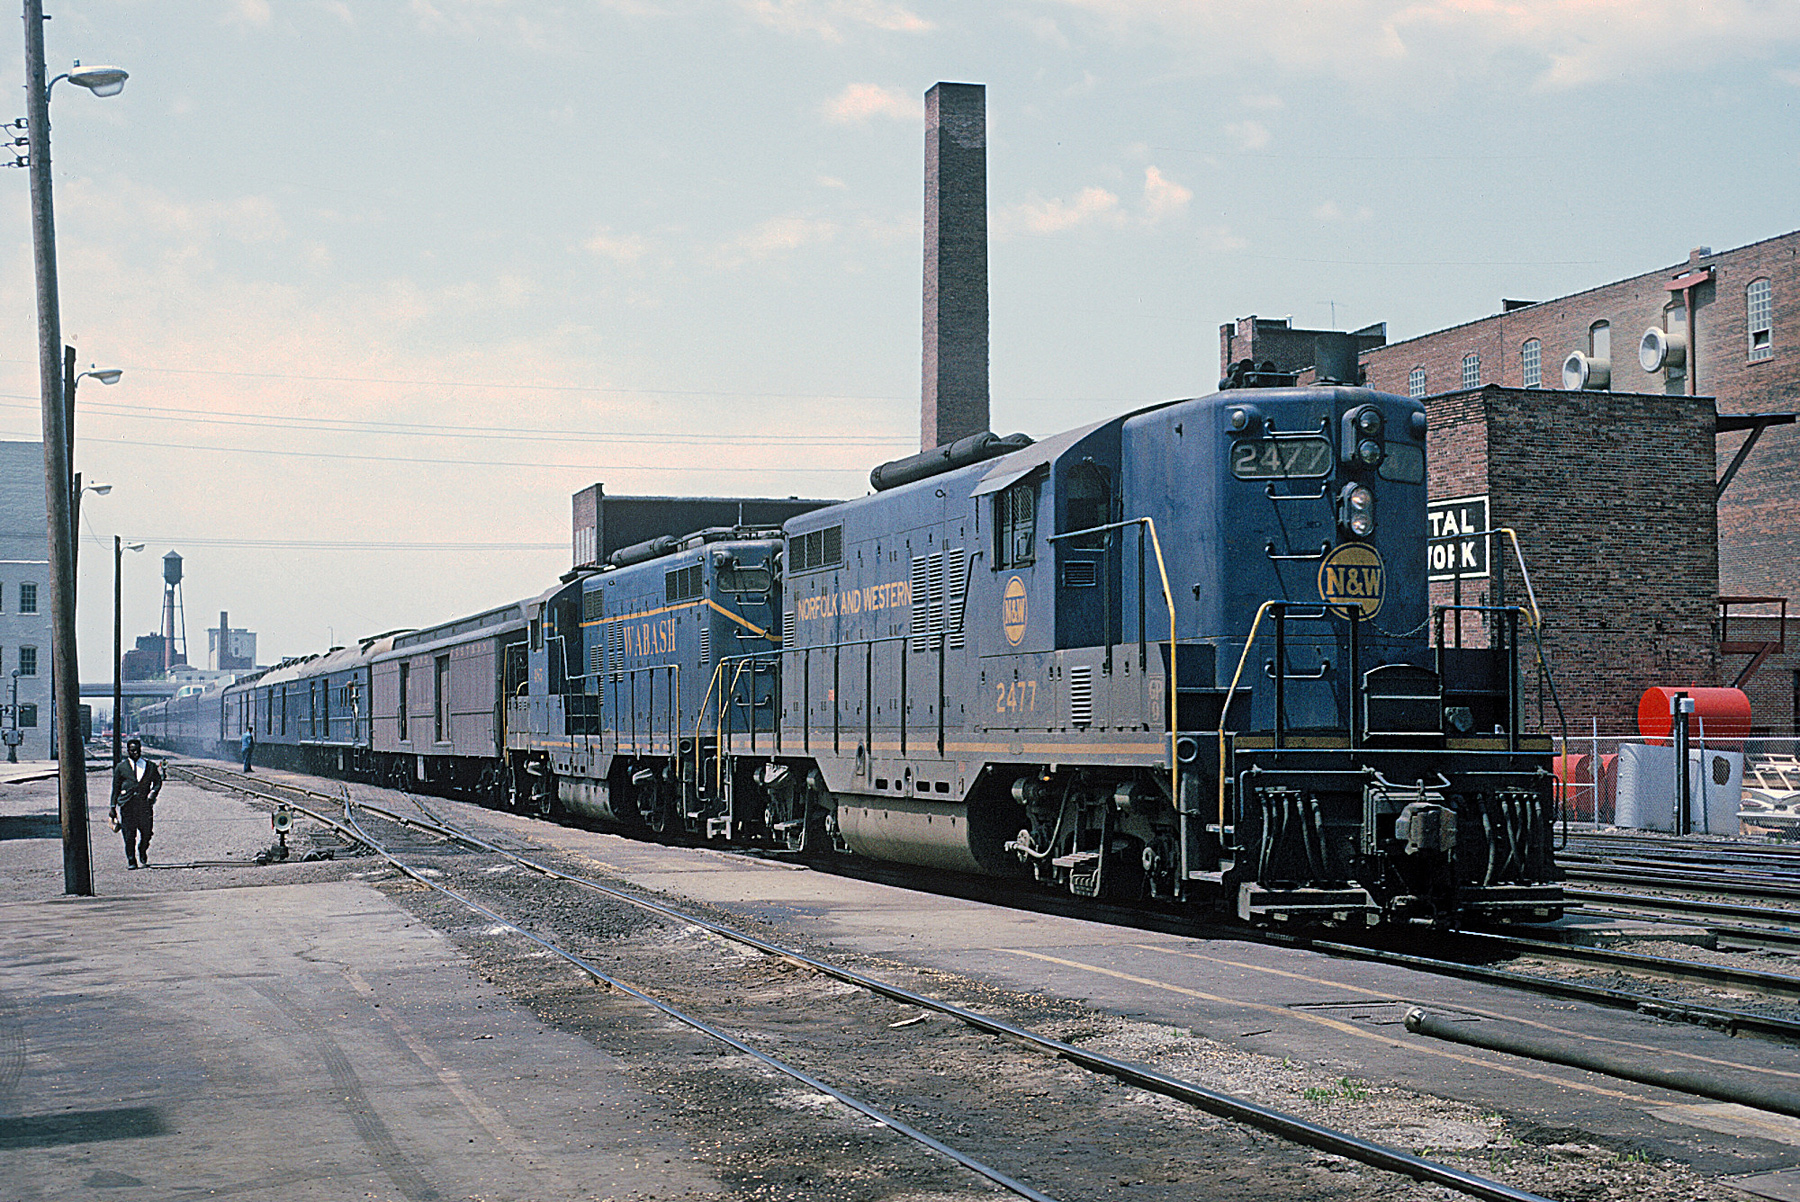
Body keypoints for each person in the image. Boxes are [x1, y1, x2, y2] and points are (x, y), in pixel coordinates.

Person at [110, 738, 163, 869]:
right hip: (127, 806)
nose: (135, 753)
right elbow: (115, 788)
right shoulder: (121, 767)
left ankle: (142, 849)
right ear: (128, 751)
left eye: (138, 750)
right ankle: (131, 860)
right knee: (129, 835)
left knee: (147, 832)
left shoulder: (149, 766)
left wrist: (153, 793)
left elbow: (157, 782)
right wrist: (112, 807)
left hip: (144, 805)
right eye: (132, 750)